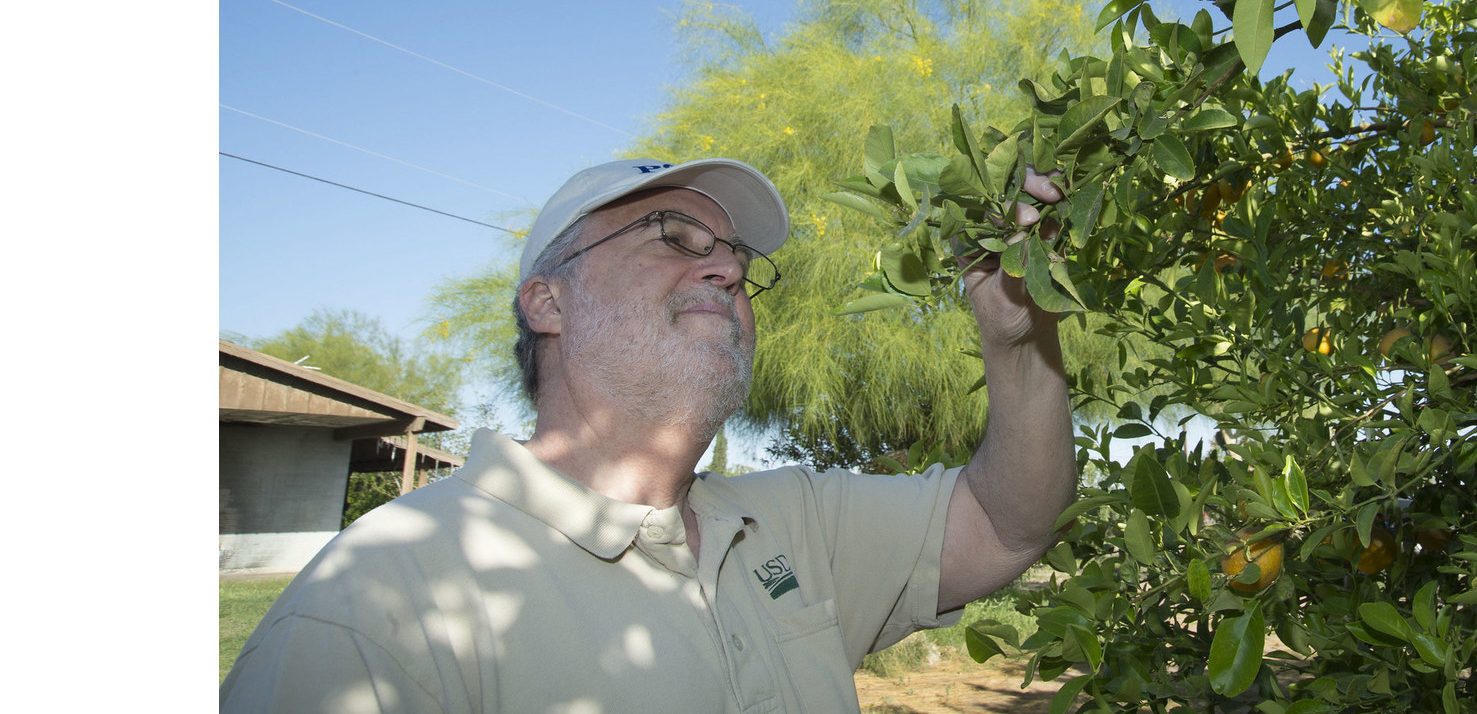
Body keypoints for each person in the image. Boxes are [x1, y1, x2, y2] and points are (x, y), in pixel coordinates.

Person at [221, 156, 1076, 712]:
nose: (730, 268)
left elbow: (1007, 522)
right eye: (674, 236)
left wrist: (1018, 338)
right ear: (546, 303)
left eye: (739, 259)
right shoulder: (380, 600)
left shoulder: (796, 520)